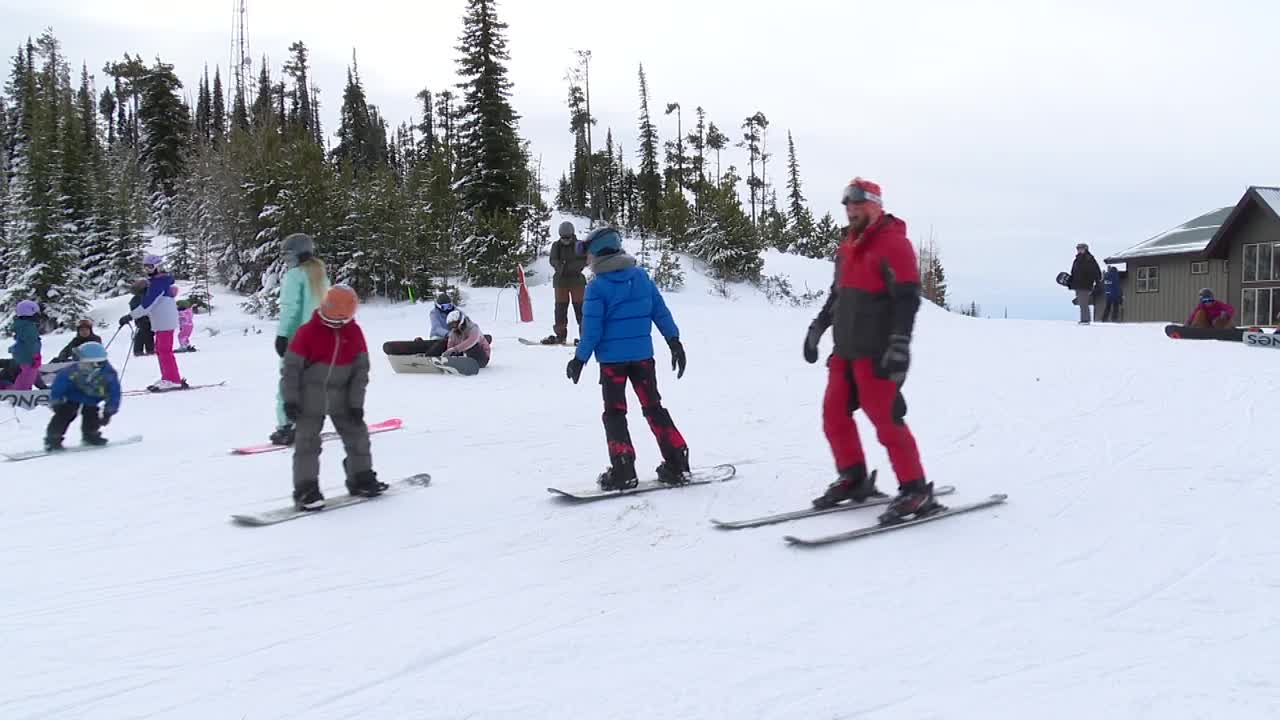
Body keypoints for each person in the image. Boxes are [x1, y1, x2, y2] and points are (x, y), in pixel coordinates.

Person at [803, 177, 938, 525]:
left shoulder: (894, 245)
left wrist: (899, 347)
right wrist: (818, 328)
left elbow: (907, 301)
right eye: (848, 205)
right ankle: (854, 477)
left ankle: (916, 490)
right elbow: (838, 295)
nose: (851, 211)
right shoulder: (847, 246)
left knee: (886, 421)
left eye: (858, 204)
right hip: (845, 351)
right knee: (833, 415)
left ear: (876, 205)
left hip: (876, 354)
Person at [565, 225, 690, 491]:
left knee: (615, 413)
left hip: (613, 364)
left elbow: (592, 331)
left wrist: (579, 359)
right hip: (643, 358)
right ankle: (678, 460)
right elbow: (660, 311)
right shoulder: (641, 277)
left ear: (597, 254)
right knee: (654, 407)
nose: (586, 260)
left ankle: (623, 469)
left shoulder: (597, 287)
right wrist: (674, 340)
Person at [281, 285, 386, 510]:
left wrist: (356, 405)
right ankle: (306, 490)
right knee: (307, 443)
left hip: (343, 397)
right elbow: (291, 370)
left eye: (343, 315)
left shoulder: (354, 333)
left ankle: (361, 477)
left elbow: (360, 372)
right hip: (310, 397)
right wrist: (290, 400)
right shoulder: (307, 332)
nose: (338, 320)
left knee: (358, 436)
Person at [271, 233, 331, 445]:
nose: (286, 260)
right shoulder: (320, 275)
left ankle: (288, 425)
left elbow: (290, 309)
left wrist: (282, 335)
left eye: (288, 255)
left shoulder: (295, 276)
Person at [119, 255, 185, 391]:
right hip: (162, 320)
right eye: (145, 266)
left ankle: (172, 379)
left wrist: (130, 316)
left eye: (150, 266)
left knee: (164, 350)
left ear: (158, 266)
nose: (147, 269)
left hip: (165, 320)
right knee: (161, 350)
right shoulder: (156, 282)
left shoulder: (158, 283)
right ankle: (169, 377)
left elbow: (147, 304)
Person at [44, 341, 121, 451]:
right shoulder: (72, 371)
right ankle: (53, 438)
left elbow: (114, 394)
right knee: (64, 414)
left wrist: (108, 412)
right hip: (73, 395)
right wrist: (56, 401)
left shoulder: (109, 375)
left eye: (83, 362)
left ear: (95, 363)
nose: (79, 364)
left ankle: (90, 435)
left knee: (91, 415)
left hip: (92, 398)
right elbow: (59, 384)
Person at [540, 221, 588, 344]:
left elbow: (585, 260)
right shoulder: (556, 245)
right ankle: (560, 336)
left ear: (572, 235)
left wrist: (569, 267)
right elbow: (553, 260)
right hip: (561, 282)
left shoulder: (579, 245)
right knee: (560, 309)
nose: (565, 240)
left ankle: (586, 336)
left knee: (581, 309)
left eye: (567, 237)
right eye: (563, 237)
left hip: (577, 282)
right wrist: (561, 266)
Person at [2, 299, 42, 390]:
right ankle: (13, 393)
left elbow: (22, 343)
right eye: (36, 312)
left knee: (24, 378)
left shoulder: (22, 326)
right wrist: (36, 356)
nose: (38, 315)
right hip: (28, 359)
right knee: (25, 382)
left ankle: (9, 388)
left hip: (23, 359)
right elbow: (32, 343)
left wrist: (14, 350)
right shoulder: (28, 327)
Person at [1069, 243, 1102, 324]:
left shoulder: (1089, 259)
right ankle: (1084, 319)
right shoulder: (1077, 260)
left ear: (1085, 249)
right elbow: (1073, 272)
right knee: (1081, 302)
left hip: (1085, 284)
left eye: (1081, 248)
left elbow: (1096, 272)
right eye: (1078, 248)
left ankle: (1085, 320)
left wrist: (1098, 283)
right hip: (1078, 284)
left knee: (1083, 302)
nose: (1079, 250)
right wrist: (1071, 282)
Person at [128, 280, 155, 356]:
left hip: (147, 320)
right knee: (144, 334)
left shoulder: (141, 297)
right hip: (144, 320)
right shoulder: (137, 299)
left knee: (146, 334)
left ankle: (147, 350)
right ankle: (145, 350)